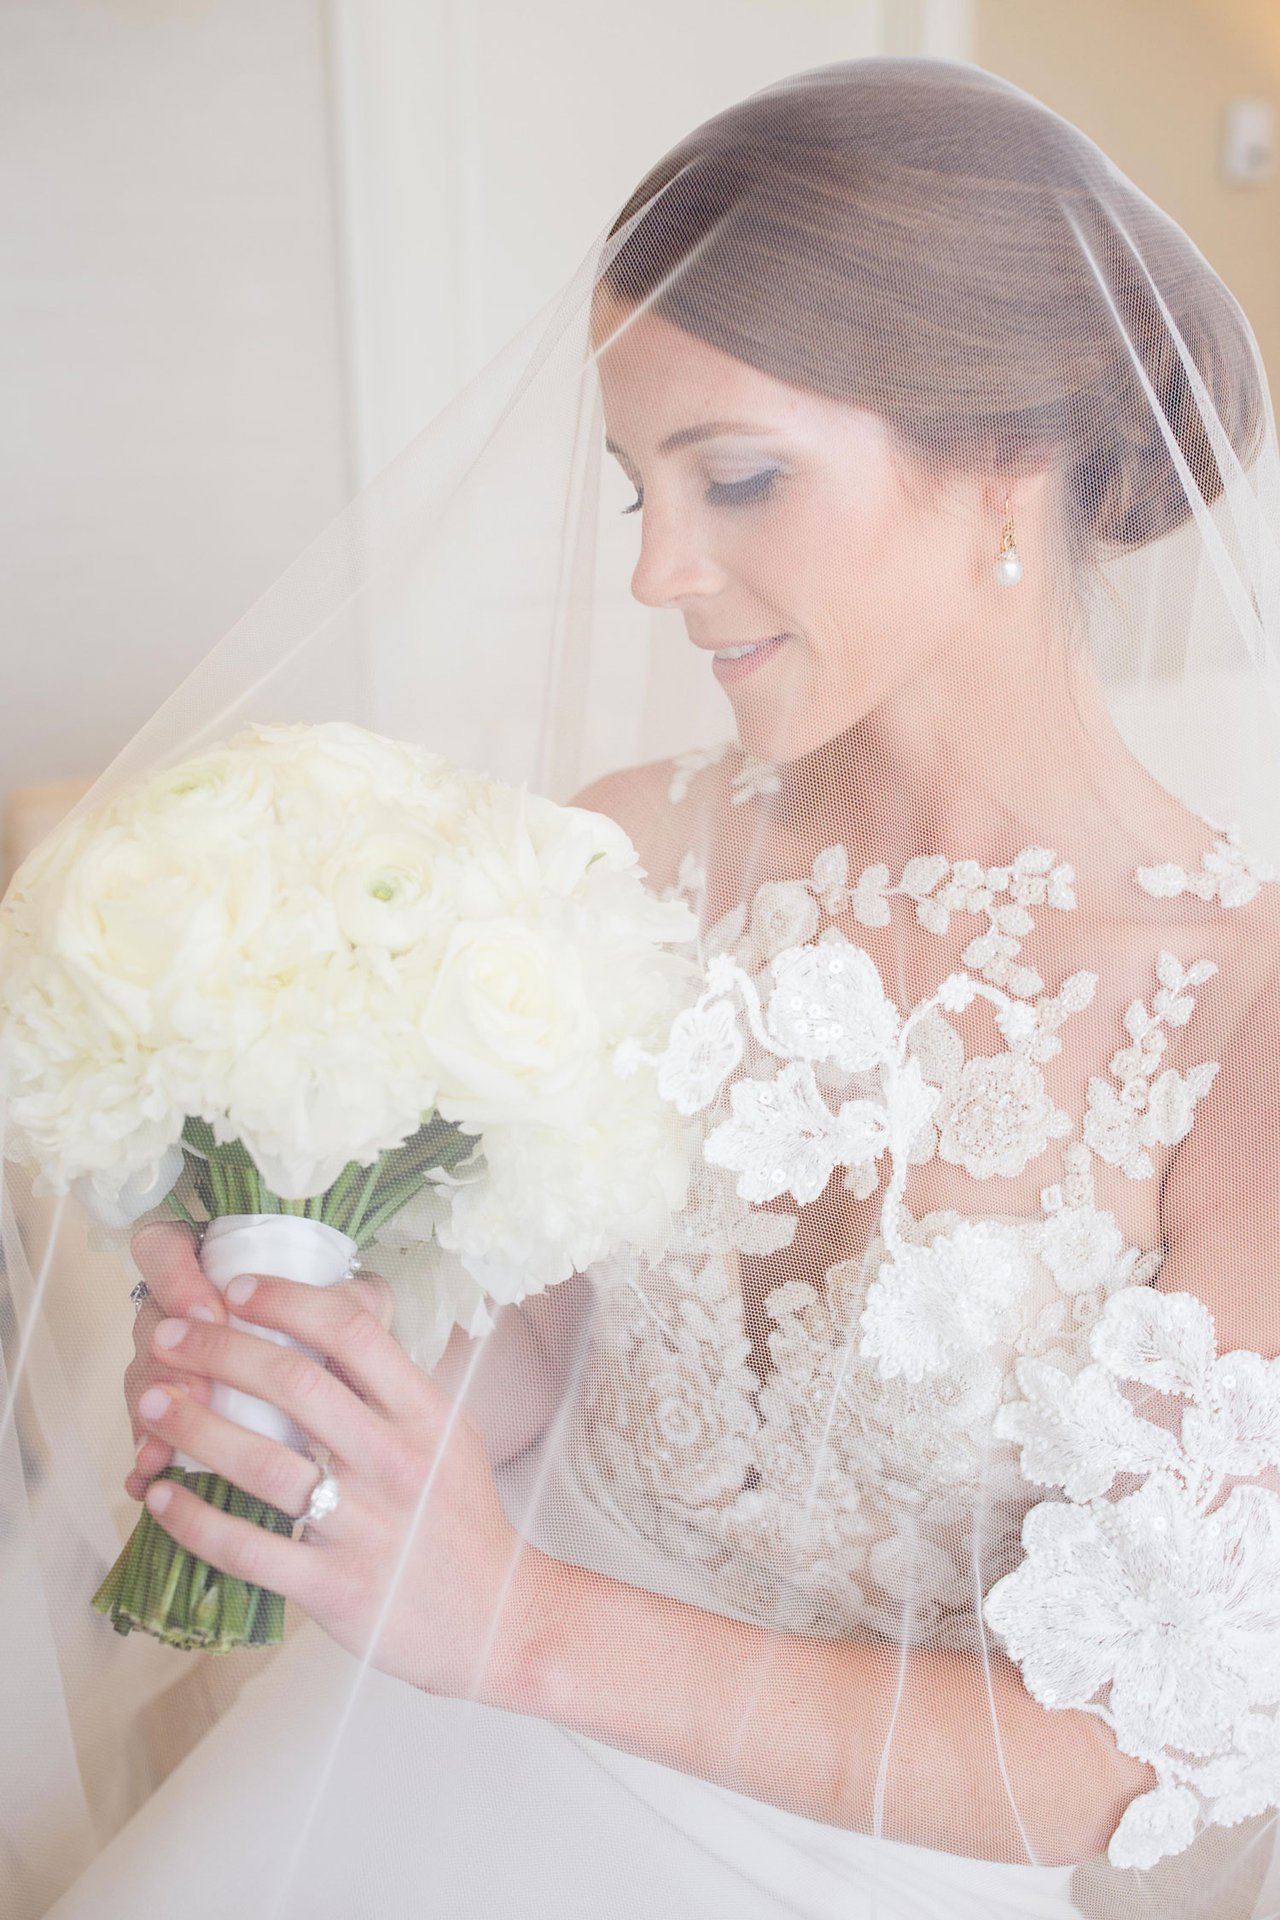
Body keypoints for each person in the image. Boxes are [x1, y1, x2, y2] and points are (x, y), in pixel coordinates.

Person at [10, 55, 1280, 1920]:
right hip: (410, 1736)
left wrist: (515, 1626)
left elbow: (1123, 1758)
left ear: (1005, 458)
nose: (659, 575)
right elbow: (548, 1342)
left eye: (738, 479)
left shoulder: (1237, 1023)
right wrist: (340, 1399)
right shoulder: (633, 855)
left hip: (828, 1849)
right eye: (636, 491)